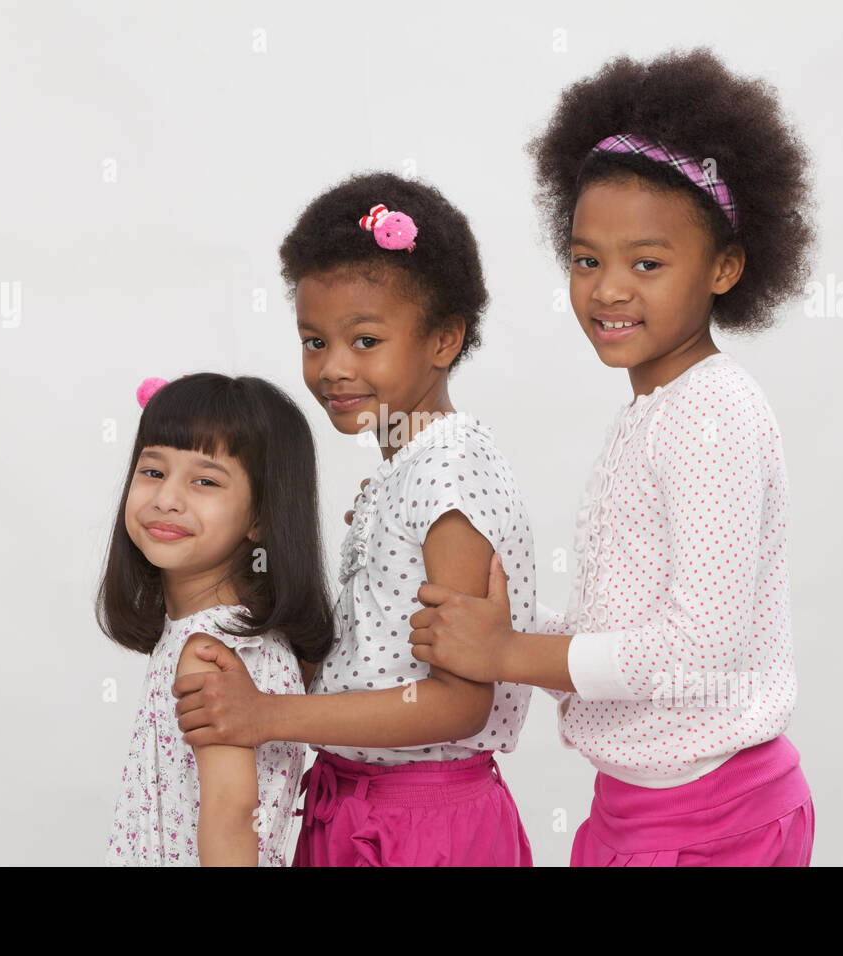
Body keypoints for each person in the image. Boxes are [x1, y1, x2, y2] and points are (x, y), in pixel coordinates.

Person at [408, 48, 818, 866]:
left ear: (726, 267)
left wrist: (510, 653)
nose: (608, 289)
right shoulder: (656, 410)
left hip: (713, 820)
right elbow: (626, 635)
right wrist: (504, 627)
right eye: (586, 259)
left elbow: (697, 650)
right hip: (636, 808)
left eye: (647, 263)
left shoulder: (711, 413)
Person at [175, 172, 536, 866]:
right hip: (353, 801)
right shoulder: (405, 470)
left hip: (422, 824)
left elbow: (459, 701)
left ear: (444, 339)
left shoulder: (450, 474)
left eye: (365, 341)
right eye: (315, 341)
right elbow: (370, 657)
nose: (334, 368)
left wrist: (268, 715)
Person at [101, 373, 334, 865]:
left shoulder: (208, 653)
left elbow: (233, 814)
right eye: (153, 471)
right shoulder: (240, 636)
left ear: (261, 516)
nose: (166, 498)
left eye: (204, 481)